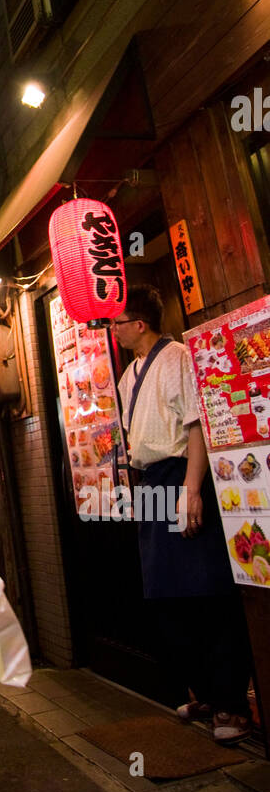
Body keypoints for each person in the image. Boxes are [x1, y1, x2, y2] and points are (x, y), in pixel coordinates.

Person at [113, 284, 253, 743]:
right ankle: (207, 692)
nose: (113, 330)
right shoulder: (127, 375)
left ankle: (233, 705)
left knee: (205, 589)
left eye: (118, 322)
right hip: (150, 482)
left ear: (139, 324)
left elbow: (195, 424)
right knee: (166, 595)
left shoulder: (175, 356)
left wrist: (192, 489)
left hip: (182, 477)